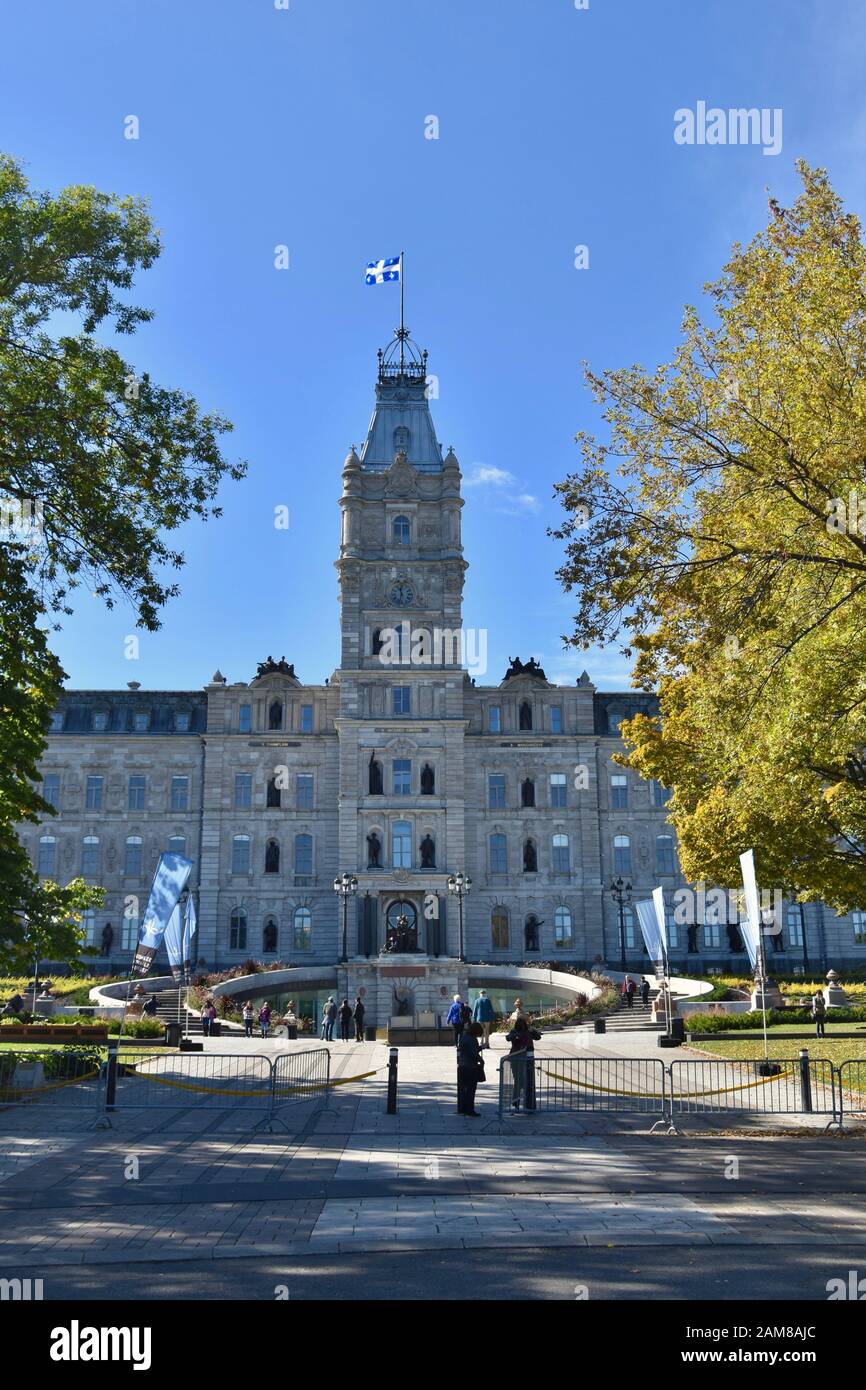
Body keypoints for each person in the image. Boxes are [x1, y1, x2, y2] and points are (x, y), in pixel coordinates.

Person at [505, 1016, 541, 1112]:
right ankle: (517, 1101)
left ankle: (519, 1101)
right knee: (520, 1080)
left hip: (523, 1059)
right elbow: (508, 1038)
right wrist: (518, 1035)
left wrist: (532, 1030)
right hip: (518, 1059)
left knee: (522, 1081)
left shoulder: (528, 1032)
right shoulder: (516, 1032)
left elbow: (538, 1037)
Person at [457, 1022, 484, 1116]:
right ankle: (470, 1109)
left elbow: (469, 1050)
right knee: (471, 1089)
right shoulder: (472, 1039)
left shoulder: (464, 1037)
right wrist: (481, 1060)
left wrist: (480, 1048)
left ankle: (463, 1108)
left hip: (462, 1066)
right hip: (470, 1066)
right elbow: (473, 1053)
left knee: (464, 1089)